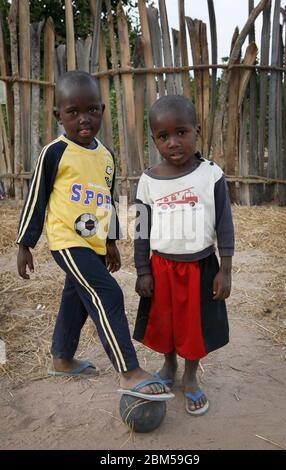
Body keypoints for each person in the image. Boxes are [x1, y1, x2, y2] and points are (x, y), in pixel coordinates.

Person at [16, 71, 173, 401]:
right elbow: (36, 197)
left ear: (103, 110)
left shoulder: (106, 156)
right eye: (73, 113)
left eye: (91, 111)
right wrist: (25, 243)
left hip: (93, 244)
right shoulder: (54, 152)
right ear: (59, 116)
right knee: (108, 294)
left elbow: (110, 199)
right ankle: (129, 371)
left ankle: (61, 357)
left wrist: (111, 241)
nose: (83, 119)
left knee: (76, 298)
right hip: (66, 241)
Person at [133, 95, 234, 415]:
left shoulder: (211, 175)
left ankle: (190, 377)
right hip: (160, 266)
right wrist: (142, 270)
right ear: (154, 140)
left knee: (194, 326)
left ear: (197, 131)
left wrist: (226, 269)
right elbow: (140, 228)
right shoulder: (148, 180)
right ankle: (169, 366)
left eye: (182, 132)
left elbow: (224, 224)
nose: (173, 142)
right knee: (163, 323)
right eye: (164, 136)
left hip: (200, 266)